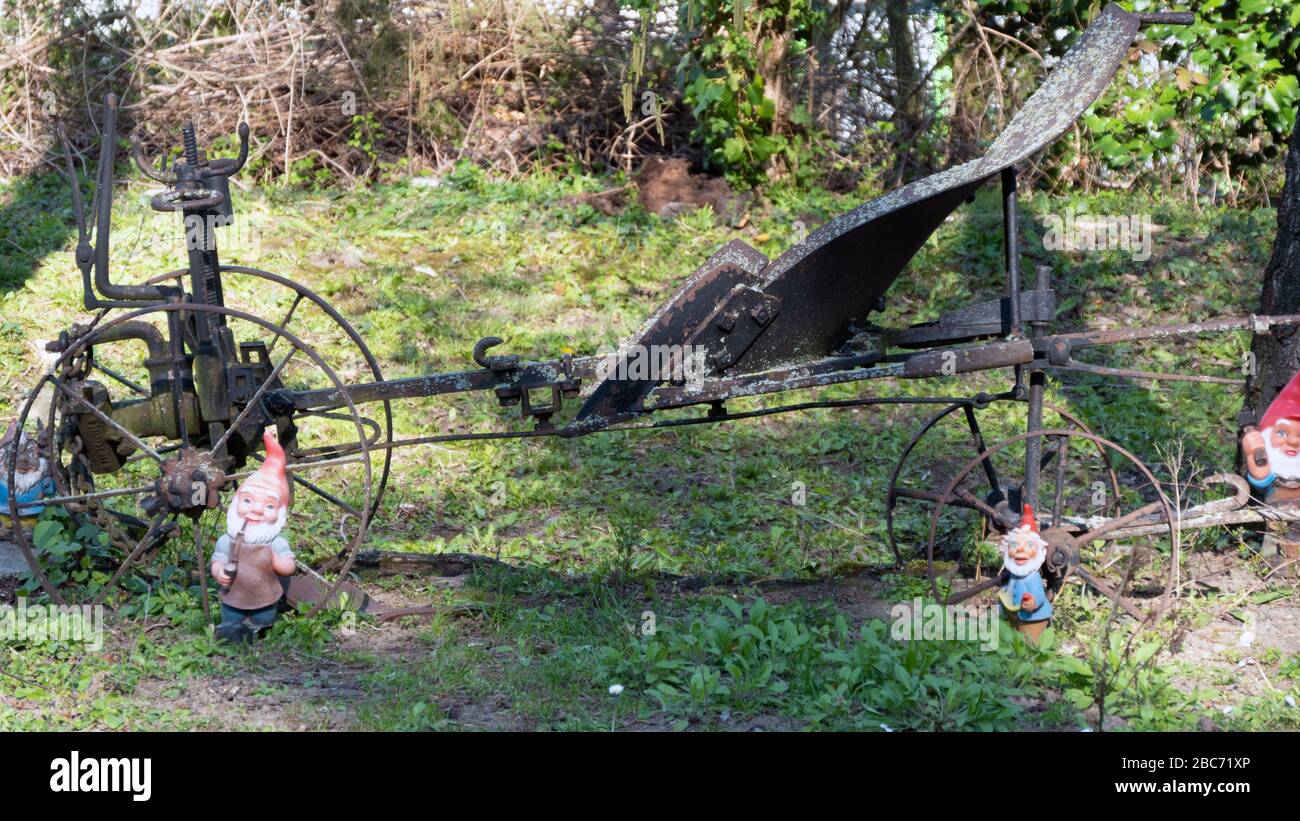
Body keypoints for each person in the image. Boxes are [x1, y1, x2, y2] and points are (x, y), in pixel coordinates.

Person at [210, 430, 296, 644]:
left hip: (264, 595)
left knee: (264, 615)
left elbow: (288, 567)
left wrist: (278, 561)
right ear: (235, 503)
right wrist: (219, 571)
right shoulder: (226, 541)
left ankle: (260, 628)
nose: (256, 510)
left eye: (268, 505)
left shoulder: (275, 542)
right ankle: (232, 631)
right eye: (247, 501)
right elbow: (218, 559)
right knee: (232, 614)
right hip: (234, 595)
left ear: (280, 513)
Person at [997, 503, 1053, 642]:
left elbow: (1039, 595)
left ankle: (1031, 658)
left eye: (1029, 546)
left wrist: (1033, 603)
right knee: (1017, 638)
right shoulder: (1015, 574)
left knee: (1029, 641)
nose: (1020, 551)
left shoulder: (1032, 578)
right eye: (1014, 546)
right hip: (1017, 615)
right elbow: (1011, 587)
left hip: (1033, 618)